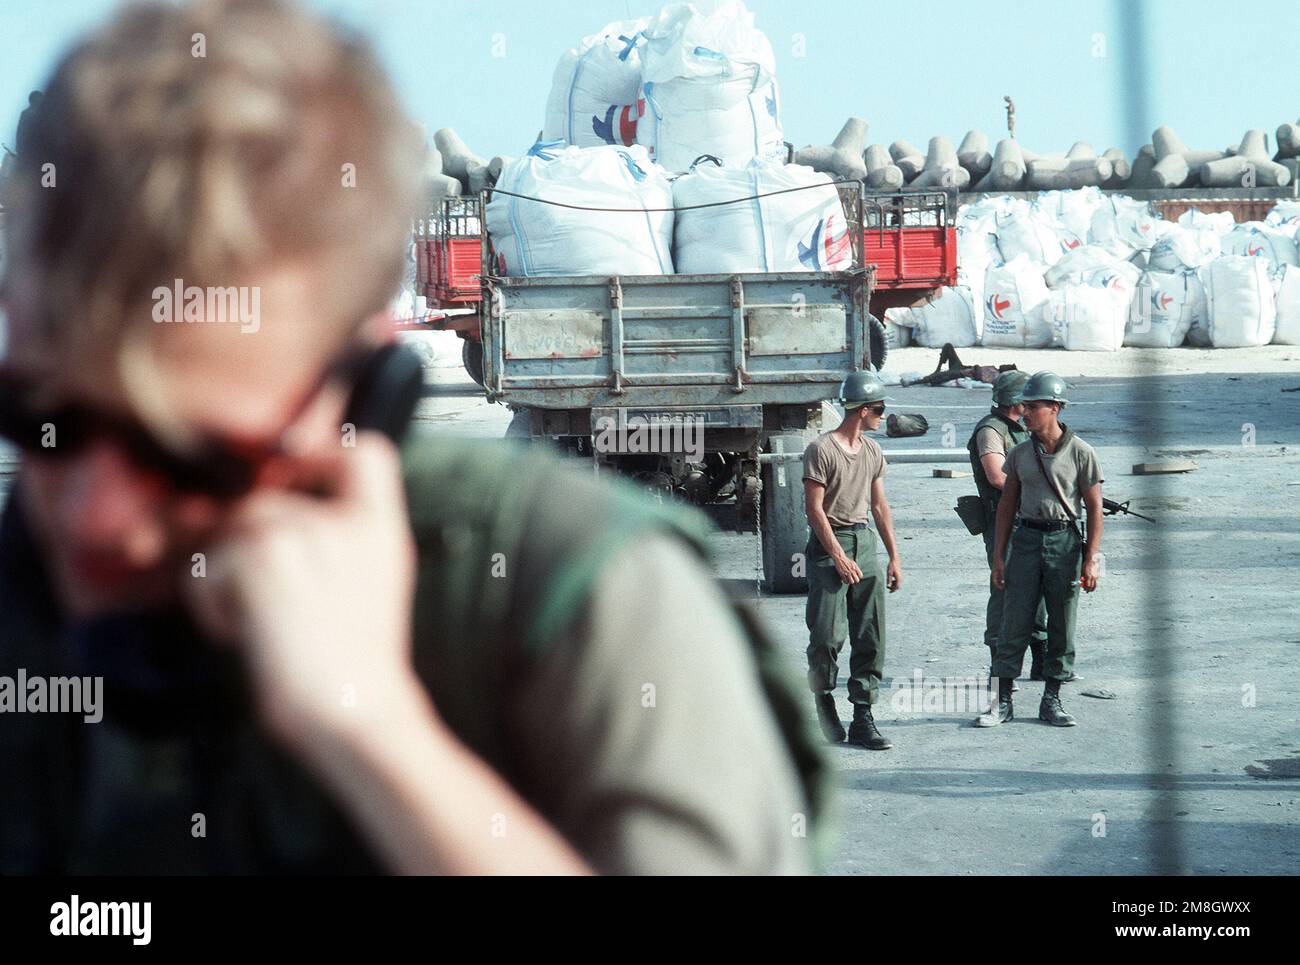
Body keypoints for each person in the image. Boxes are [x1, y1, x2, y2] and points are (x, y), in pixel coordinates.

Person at [0, 0, 822, 875]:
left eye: (187, 454)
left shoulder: (586, 609)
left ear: (369, 397)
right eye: (46, 420)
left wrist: (375, 733)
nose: (95, 516)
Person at [976, 372, 1103, 729]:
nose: (1025, 413)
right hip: (1026, 541)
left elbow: (1094, 509)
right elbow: (1006, 507)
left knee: (1062, 623)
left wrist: (1090, 559)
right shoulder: (1018, 454)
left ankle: (1052, 699)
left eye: (1033, 407)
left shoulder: (1081, 453)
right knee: (1014, 620)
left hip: (1064, 543)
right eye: (1024, 406)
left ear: (1055, 408)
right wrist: (999, 557)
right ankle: (1001, 701)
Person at [802, 371, 902, 751]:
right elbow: (814, 511)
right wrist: (839, 557)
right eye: (877, 409)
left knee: (870, 635)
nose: (881, 415)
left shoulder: (873, 451)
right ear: (861, 410)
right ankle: (823, 699)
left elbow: (879, 506)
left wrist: (894, 557)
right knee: (826, 636)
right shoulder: (822, 450)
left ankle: (863, 714)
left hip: (865, 542)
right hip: (832, 548)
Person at [967, 371, 1048, 684]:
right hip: (1005, 522)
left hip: (1029, 518)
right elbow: (996, 477)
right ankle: (999, 664)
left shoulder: (1022, 430)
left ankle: (1040, 659)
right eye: (1026, 400)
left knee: (1039, 586)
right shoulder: (991, 431)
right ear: (1015, 401)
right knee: (1005, 591)